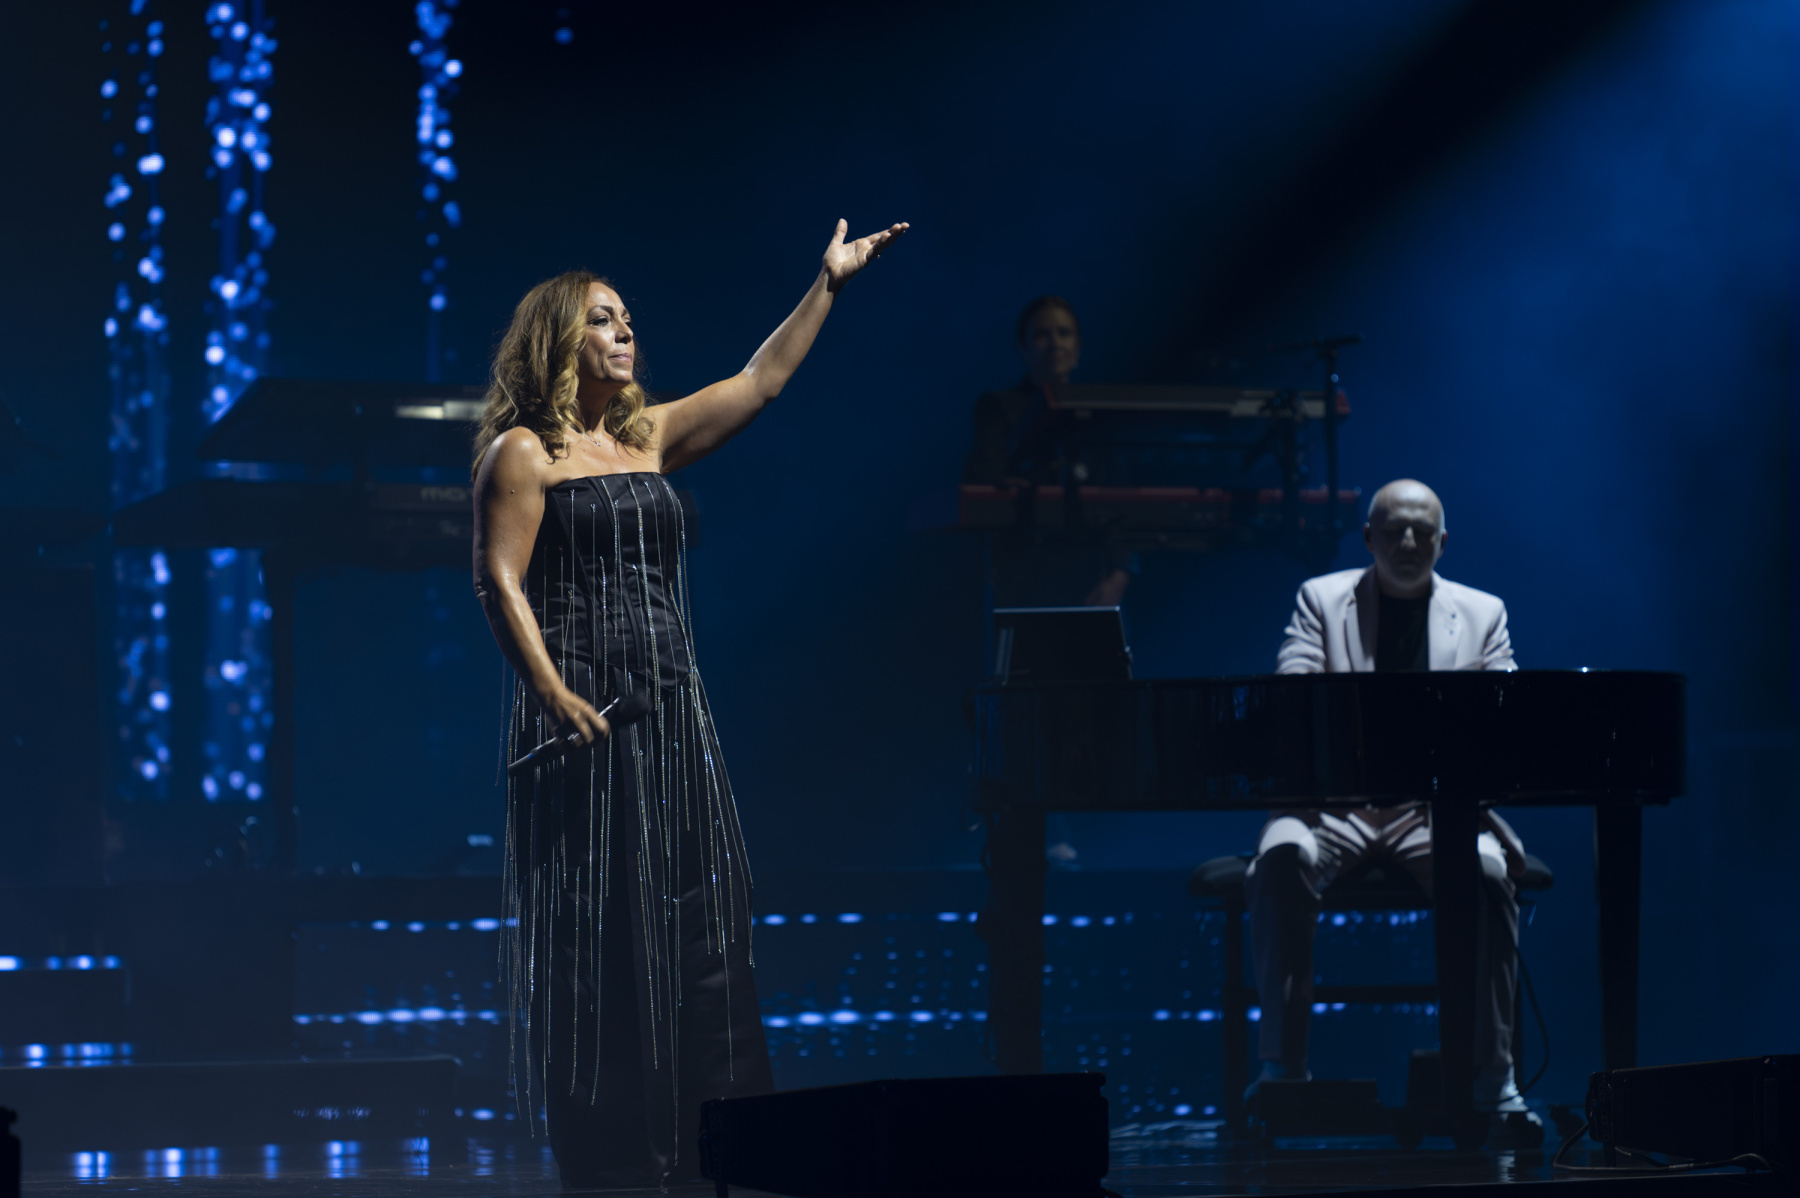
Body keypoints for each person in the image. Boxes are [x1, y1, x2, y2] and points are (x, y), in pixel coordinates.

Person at [470, 218, 908, 1187]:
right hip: (587, 728)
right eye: (602, 319)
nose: (625, 331)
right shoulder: (524, 454)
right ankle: (615, 1157)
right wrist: (552, 692)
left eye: (627, 318)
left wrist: (828, 285)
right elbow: (498, 582)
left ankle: (723, 1144)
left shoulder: (646, 437)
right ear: (557, 341)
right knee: (601, 935)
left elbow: (760, 382)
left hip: (673, 717)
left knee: (700, 933)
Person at [1250, 478, 1542, 1137]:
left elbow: (1506, 716)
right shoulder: (1321, 599)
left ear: (1443, 541)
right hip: (1332, 807)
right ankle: (1282, 1070)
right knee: (1280, 858)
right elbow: (1294, 692)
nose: (1407, 541)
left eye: (1421, 531)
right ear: (1368, 538)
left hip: (1435, 810)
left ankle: (1493, 1077)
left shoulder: (1483, 612)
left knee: (1488, 873)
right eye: (1393, 530)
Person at [963, 295, 1131, 609]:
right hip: (1022, 576)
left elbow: (1120, 495)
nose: (1055, 343)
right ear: (1023, 347)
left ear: (1078, 346)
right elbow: (982, 477)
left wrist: (1120, 574)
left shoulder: (1097, 414)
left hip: (1092, 579)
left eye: (1064, 333)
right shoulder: (998, 408)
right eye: (1042, 334)